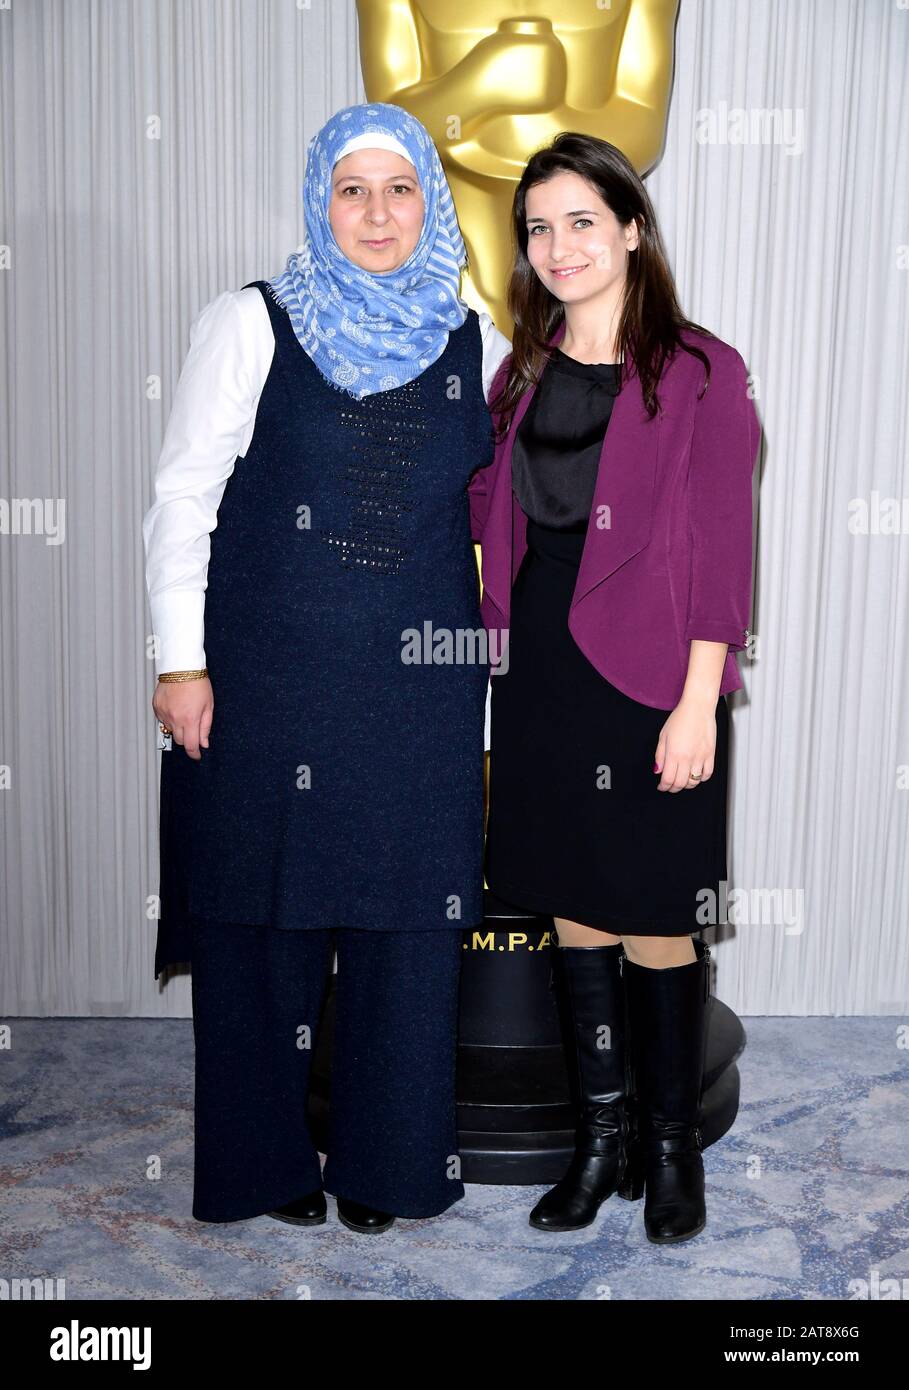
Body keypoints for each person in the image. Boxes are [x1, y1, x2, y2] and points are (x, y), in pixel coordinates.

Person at [142, 102, 510, 1232]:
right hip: (266, 685)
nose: (377, 212)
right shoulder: (251, 325)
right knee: (265, 927)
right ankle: (266, 1168)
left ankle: (386, 1168)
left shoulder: (474, 338)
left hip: (421, 694)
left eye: (399, 188)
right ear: (319, 201)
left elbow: (505, 515)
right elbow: (181, 499)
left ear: (430, 204)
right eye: (351, 189)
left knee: (409, 936)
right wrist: (179, 660)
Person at [469, 132, 760, 1242]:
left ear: (632, 227)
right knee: (574, 909)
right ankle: (600, 1142)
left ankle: (670, 1148)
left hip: (652, 678)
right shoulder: (520, 369)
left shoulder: (700, 372)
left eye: (582, 220)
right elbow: (490, 514)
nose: (559, 245)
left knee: (657, 917)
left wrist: (699, 702)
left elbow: (721, 549)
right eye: (539, 227)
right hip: (542, 672)